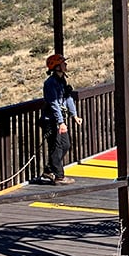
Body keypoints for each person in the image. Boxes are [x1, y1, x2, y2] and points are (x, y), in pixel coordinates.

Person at [41, 53, 82, 184]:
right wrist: (60, 122)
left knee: (65, 145)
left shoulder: (62, 81)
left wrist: (74, 115)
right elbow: (53, 104)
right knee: (57, 146)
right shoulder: (50, 83)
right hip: (51, 121)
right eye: (63, 63)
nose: (66, 65)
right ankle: (59, 176)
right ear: (57, 67)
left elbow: (68, 98)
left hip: (59, 120)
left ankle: (49, 169)